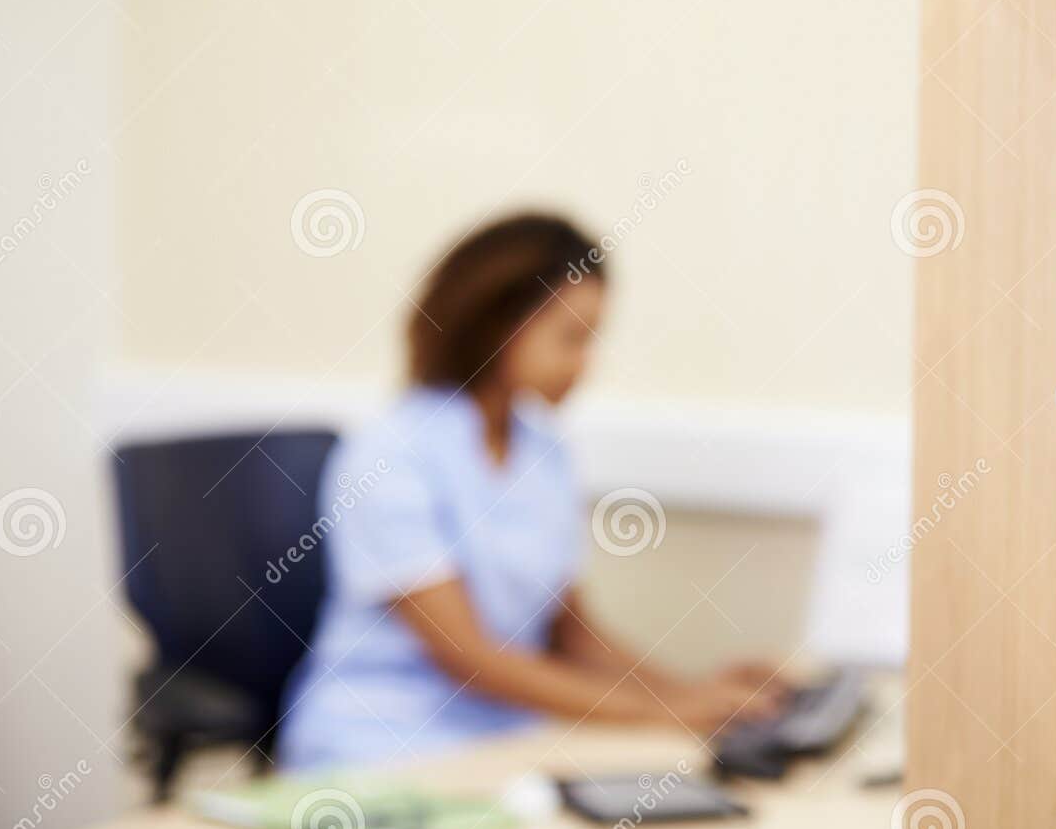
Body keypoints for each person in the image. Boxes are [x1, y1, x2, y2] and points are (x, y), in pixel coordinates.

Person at [276, 212, 785, 770]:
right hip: (380, 745)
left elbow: (572, 635)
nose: (586, 364)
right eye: (571, 338)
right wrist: (661, 712)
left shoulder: (543, 448)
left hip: (507, 736)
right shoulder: (391, 454)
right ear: (498, 326)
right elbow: (468, 658)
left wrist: (695, 696)